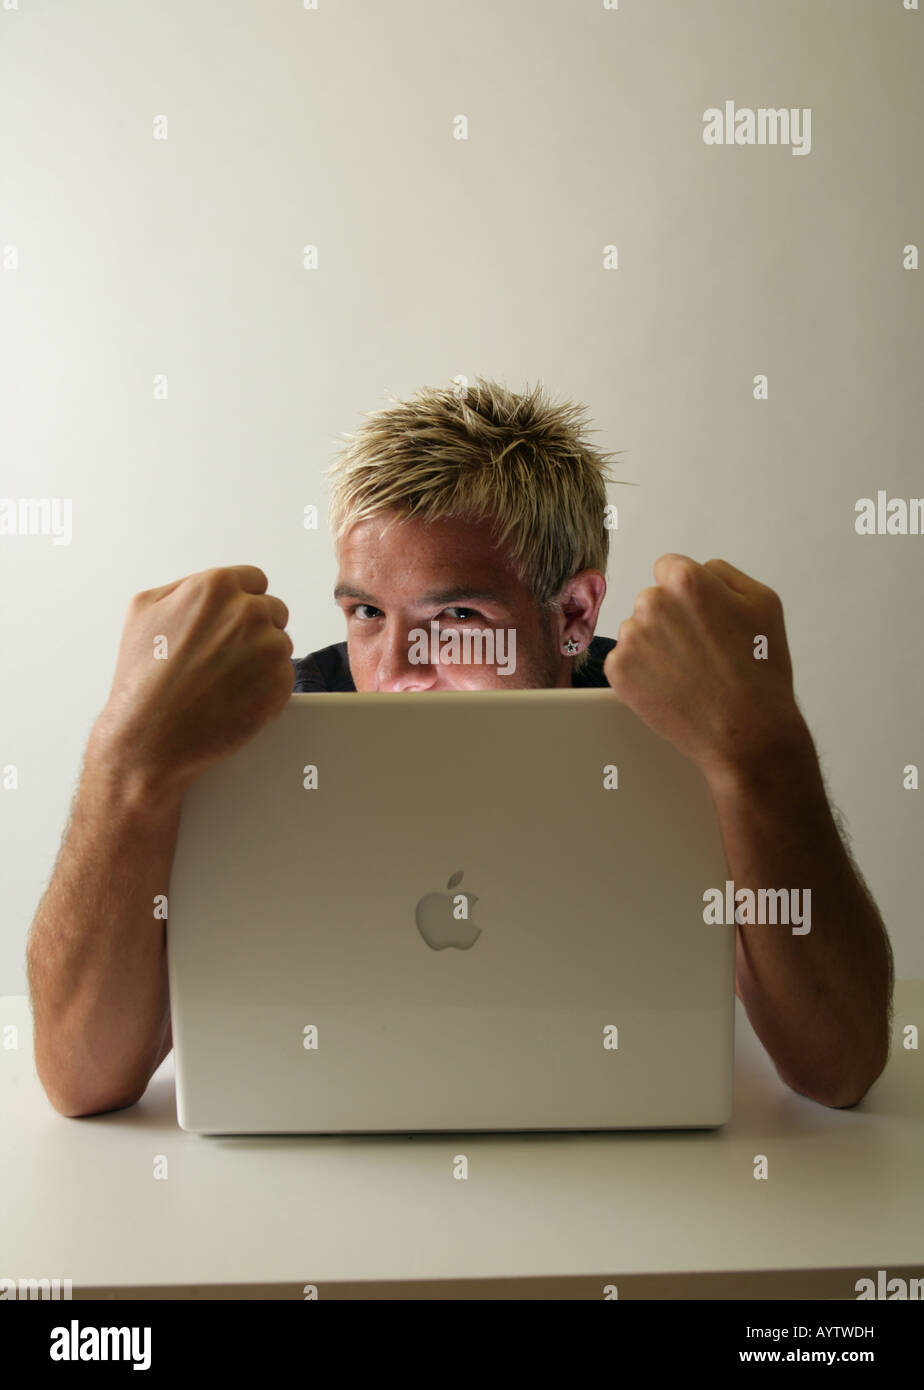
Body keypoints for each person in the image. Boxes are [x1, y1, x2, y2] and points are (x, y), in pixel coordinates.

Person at [26, 378, 893, 1117]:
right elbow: (80, 1078)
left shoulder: (677, 723)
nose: (397, 669)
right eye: (367, 613)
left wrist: (763, 751)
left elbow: (840, 1066)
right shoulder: (262, 724)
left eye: (457, 620)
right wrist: (123, 758)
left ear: (575, 618)